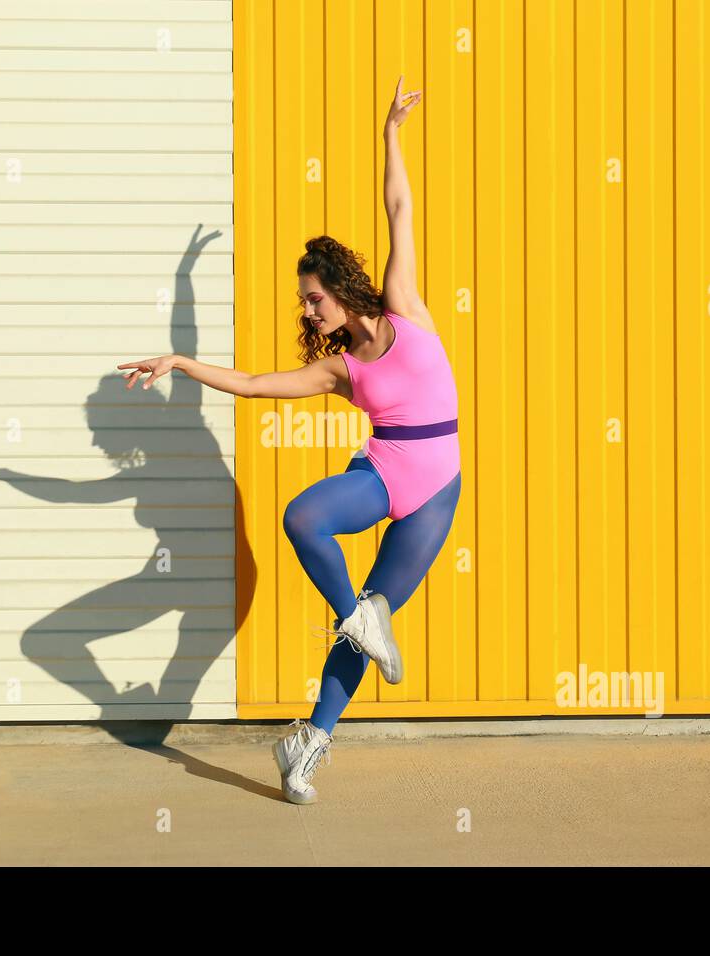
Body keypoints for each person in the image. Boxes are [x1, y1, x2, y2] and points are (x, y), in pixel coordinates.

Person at [118, 77, 460, 804]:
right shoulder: (337, 369)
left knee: (360, 639)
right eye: (306, 300)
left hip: (437, 490)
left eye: (314, 296)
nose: (309, 308)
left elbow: (400, 208)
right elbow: (249, 383)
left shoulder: (404, 307)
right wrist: (179, 361)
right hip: (387, 467)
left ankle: (305, 745)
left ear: (341, 286)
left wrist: (390, 133)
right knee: (304, 518)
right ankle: (359, 616)